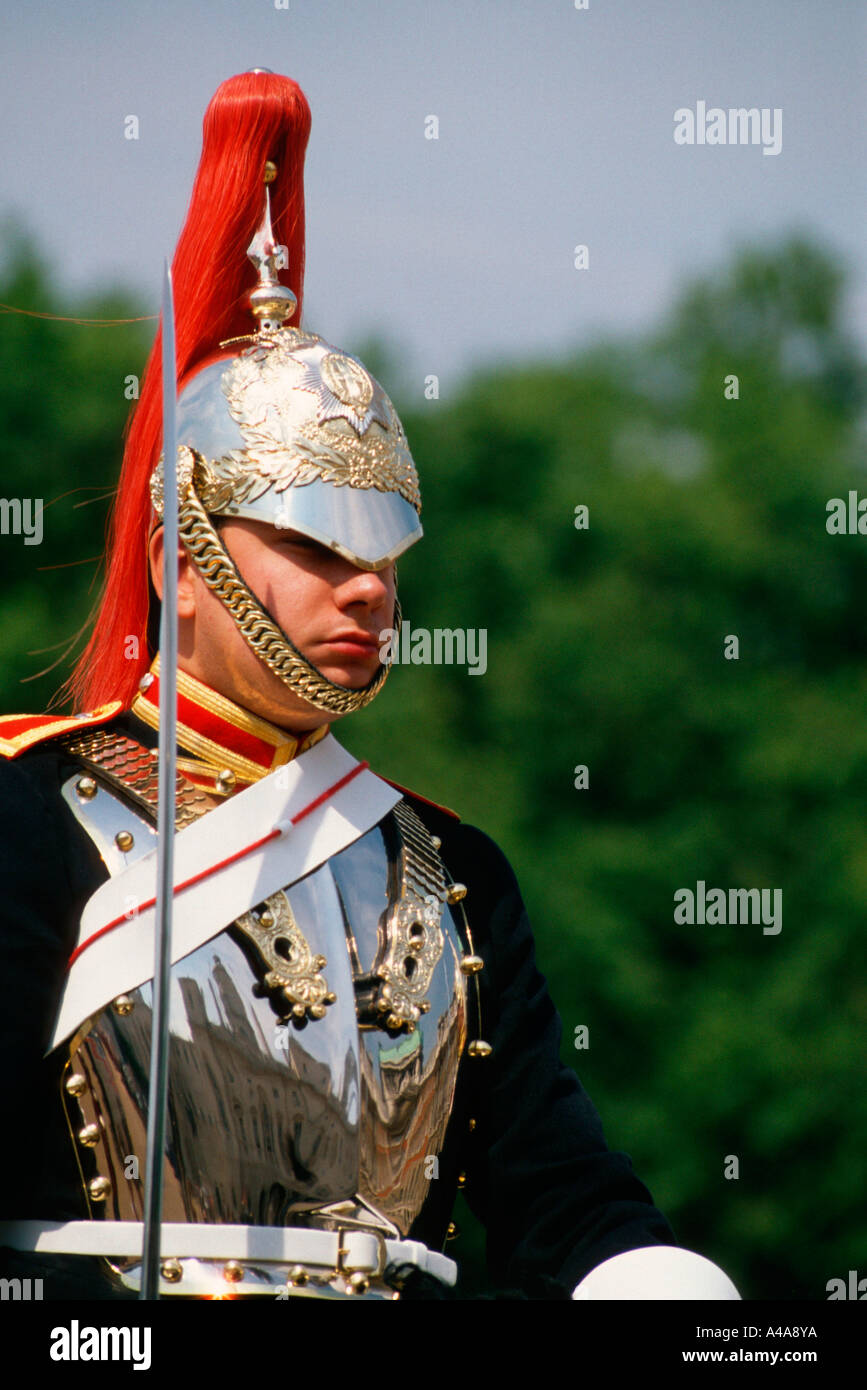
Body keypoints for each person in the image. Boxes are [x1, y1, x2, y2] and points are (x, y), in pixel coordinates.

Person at [0, 71, 739, 1301]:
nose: (367, 591)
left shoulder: (454, 875)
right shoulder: (30, 825)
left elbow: (560, 1195)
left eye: (382, 551)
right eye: (316, 545)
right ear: (184, 562)